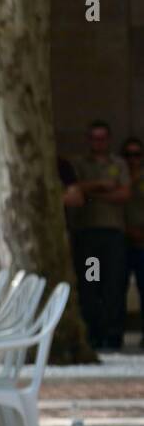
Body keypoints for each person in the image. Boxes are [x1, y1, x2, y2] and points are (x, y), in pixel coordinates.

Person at [68, 120, 131, 349]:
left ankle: (113, 334)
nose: (99, 142)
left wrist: (94, 195)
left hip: (113, 236)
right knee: (91, 284)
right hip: (89, 236)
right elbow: (75, 189)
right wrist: (102, 185)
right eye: (95, 138)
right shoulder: (80, 163)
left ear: (109, 139)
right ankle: (94, 332)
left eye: (103, 138)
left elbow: (124, 194)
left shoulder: (119, 163)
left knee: (113, 285)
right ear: (89, 140)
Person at [120, 136, 144, 341]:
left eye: (137, 155)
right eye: (128, 155)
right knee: (114, 286)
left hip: (142, 243)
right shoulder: (117, 176)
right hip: (120, 242)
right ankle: (113, 333)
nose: (132, 159)